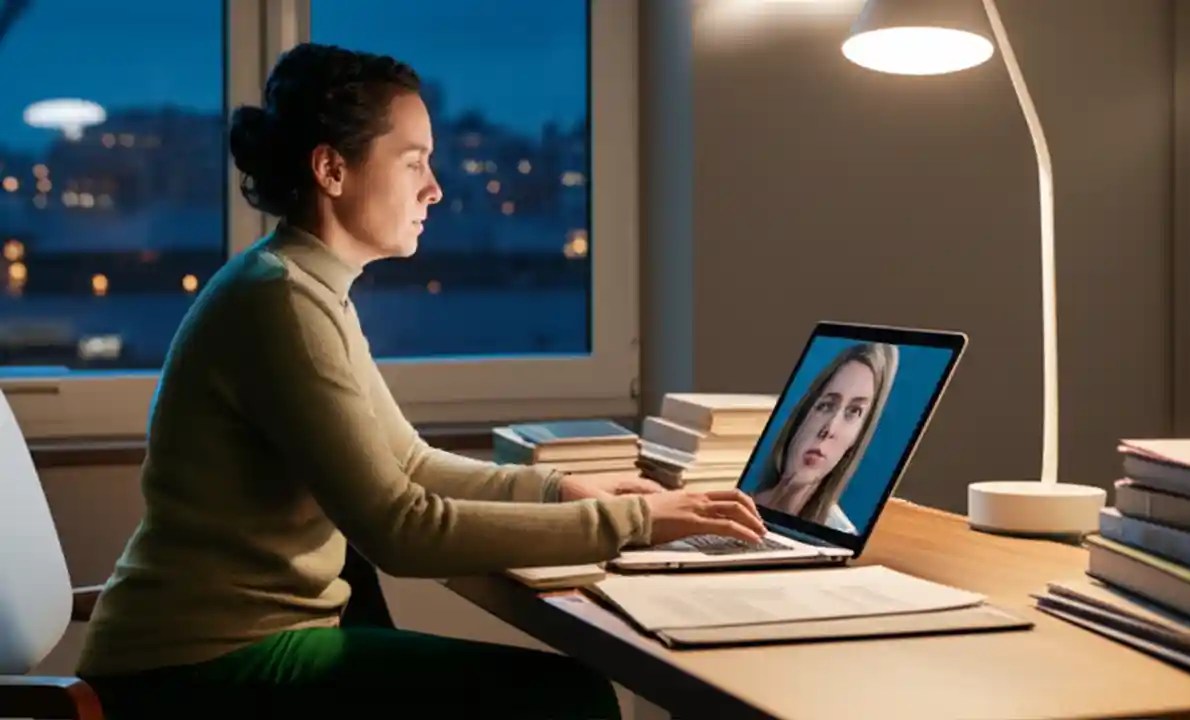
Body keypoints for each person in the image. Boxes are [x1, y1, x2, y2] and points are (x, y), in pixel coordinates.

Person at [75, 43, 765, 719]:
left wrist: (561, 490)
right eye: (413, 162)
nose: (434, 188)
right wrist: (633, 524)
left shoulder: (304, 288)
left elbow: (408, 463)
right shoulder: (282, 302)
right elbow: (400, 529)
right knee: (566, 698)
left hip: (230, 645)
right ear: (331, 170)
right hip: (198, 667)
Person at [752, 342, 898, 533]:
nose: (829, 429)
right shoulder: (742, 503)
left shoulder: (840, 533)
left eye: (854, 411)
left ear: (858, 438)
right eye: (826, 405)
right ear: (803, 415)